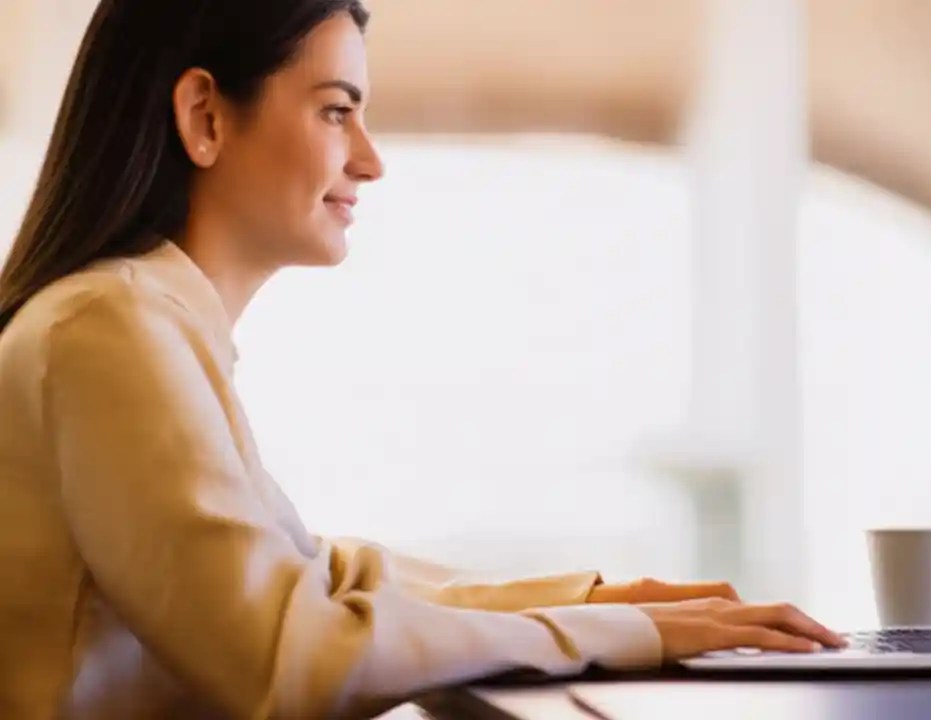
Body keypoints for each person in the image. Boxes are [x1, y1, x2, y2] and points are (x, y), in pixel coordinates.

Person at [0, 1, 844, 717]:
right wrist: (622, 634)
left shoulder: (136, 320)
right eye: (336, 110)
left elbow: (319, 574)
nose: (369, 158)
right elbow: (286, 654)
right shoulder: (106, 327)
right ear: (205, 118)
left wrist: (594, 600)